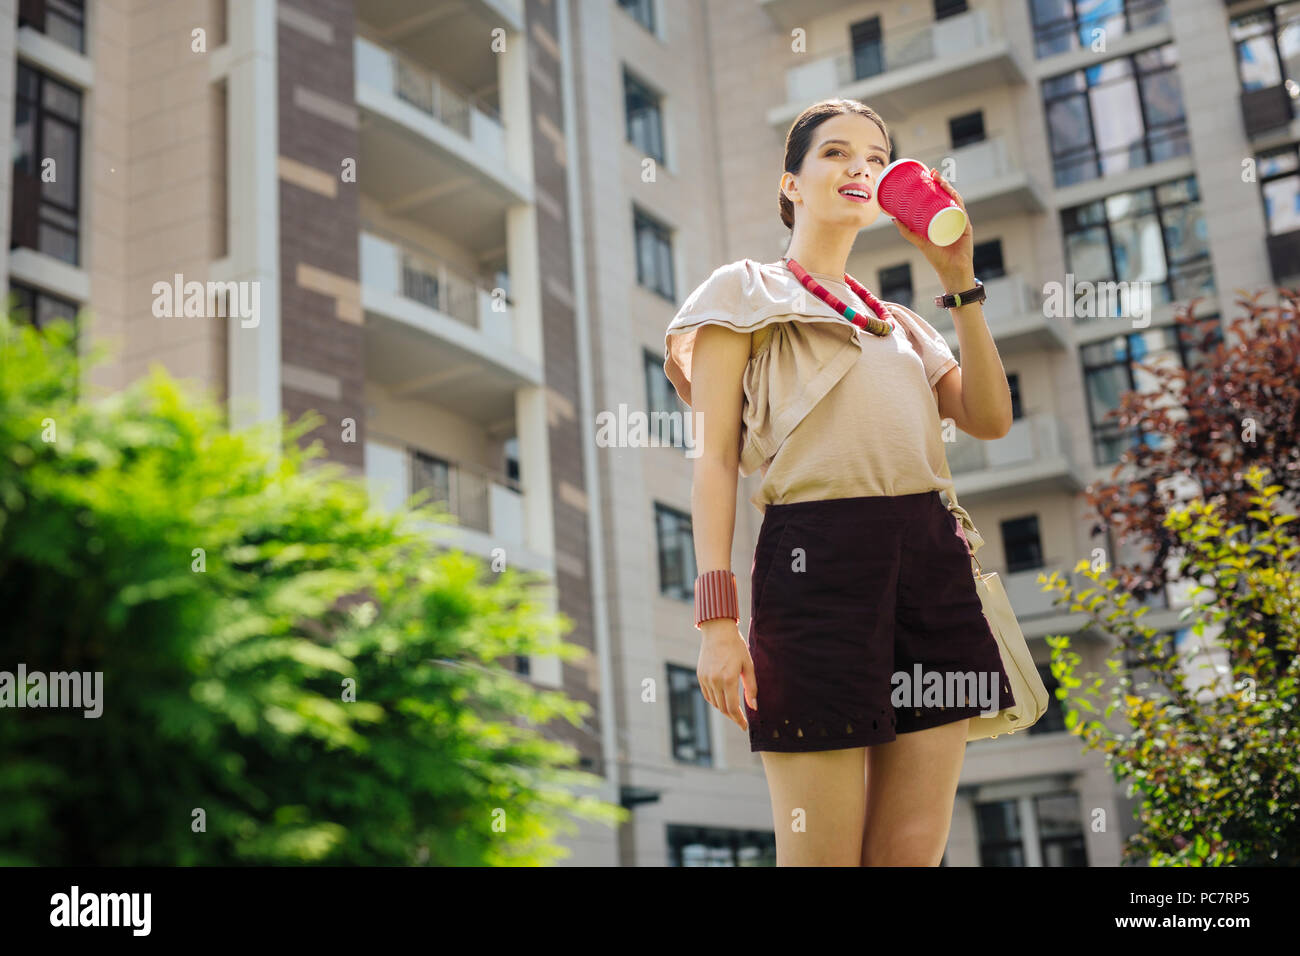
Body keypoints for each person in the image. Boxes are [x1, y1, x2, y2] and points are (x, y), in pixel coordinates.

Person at [662, 98, 1017, 866]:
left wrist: (960, 282)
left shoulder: (898, 321)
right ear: (790, 182)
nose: (859, 167)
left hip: (930, 562)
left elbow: (989, 417)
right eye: (835, 154)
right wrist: (717, 623)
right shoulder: (742, 293)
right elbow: (715, 460)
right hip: (813, 566)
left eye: (875, 156)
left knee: (910, 853)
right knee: (821, 856)